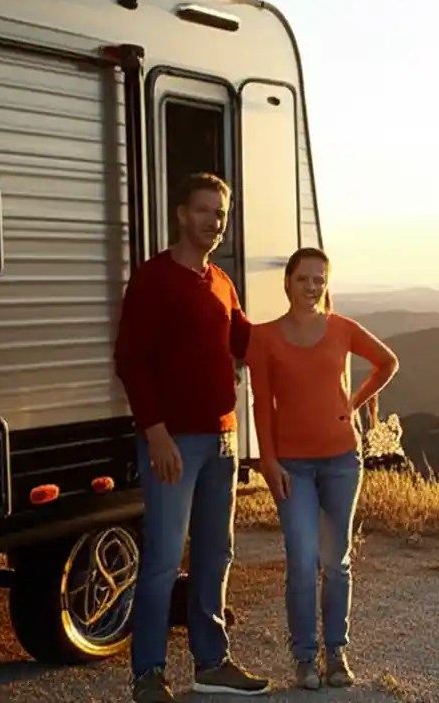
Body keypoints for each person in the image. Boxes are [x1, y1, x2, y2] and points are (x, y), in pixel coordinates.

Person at [114, 172, 270, 702]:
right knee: (161, 558)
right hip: (173, 442)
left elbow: (247, 340)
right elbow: (131, 361)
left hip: (221, 441)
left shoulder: (221, 282)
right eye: (204, 211)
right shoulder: (154, 278)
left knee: (214, 554)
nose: (213, 222)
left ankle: (212, 663)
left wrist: (311, 328)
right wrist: (155, 434)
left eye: (221, 214)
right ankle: (148, 674)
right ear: (182, 214)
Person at [245, 246, 400, 690]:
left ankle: (336, 654)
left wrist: (356, 400)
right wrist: (268, 460)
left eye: (319, 280)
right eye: (303, 279)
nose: (311, 287)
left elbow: (387, 362)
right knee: (301, 562)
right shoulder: (265, 337)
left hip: (341, 461)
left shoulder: (343, 329)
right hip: (292, 465)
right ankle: (304, 658)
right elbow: (262, 406)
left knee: (336, 562)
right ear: (287, 283)